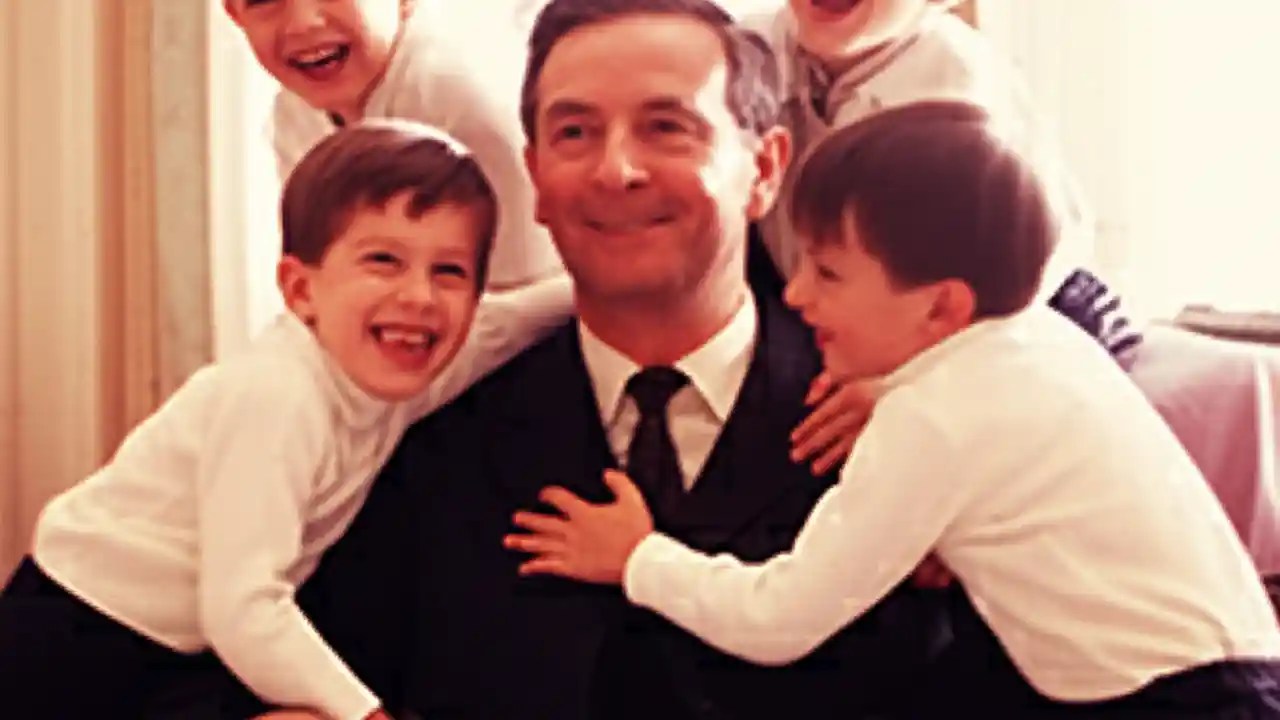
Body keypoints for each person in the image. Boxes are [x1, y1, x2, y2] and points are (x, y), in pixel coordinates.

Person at [284, 3, 1035, 719]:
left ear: (767, 167)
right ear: (535, 178)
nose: (616, 171)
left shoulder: (916, 431)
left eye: (667, 128)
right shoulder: (428, 434)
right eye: (575, 132)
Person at [506, 102, 1280, 718]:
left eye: (831, 273)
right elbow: (980, 418)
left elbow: (780, 620)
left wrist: (638, 557)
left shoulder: (931, 426)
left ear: (941, 307)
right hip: (1232, 665)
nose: (799, 293)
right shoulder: (1038, 343)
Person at [0, 122, 573, 720]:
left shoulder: (407, 361)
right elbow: (244, 605)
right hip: (73, 639)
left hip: (189, 649)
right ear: (300, 290)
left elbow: (512, 322)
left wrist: (610, 286)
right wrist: (370, 716)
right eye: (384, 261)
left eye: (449, 272)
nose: (420, 298)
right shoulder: (279, 395)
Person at [742, 0, 1142, 362]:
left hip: (1016, 309)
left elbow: (1022, 275)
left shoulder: (960, 90)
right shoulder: (744, 48)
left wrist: (905, 381)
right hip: (844, 306)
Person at [223, 0, 562, 291]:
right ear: (234, 13)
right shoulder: (293, 115)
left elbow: (523, 299)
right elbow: (321, 284)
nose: (302, 23)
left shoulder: (464, 106)